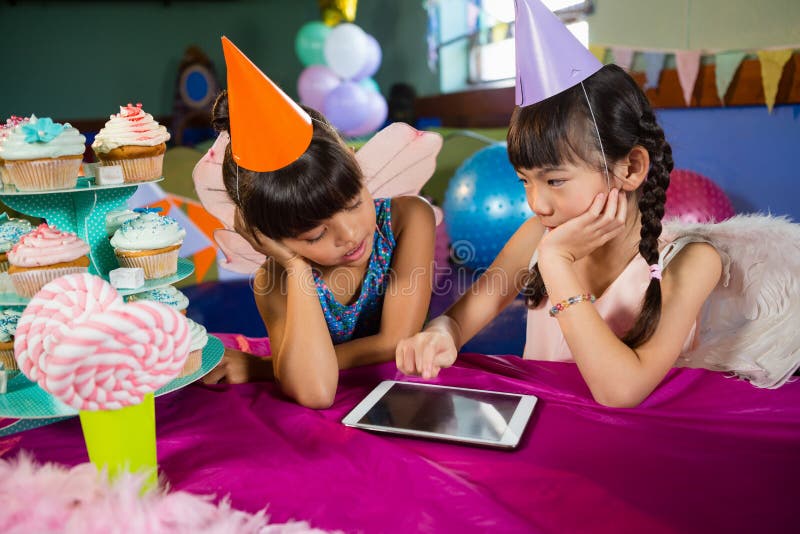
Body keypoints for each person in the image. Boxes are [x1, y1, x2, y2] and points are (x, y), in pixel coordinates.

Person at [395, 0, 800, 406]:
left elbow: (620, 391)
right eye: (525, 182)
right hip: (537, 434)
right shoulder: (537, 235)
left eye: (555, 180)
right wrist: (440, 333)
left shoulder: (690, 260)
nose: (538, 204)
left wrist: (557, 265)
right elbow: (458, 320)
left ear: (631, 167)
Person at [196, 38, 437, 409]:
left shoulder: (408, 220)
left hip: (410, 395)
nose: (350, 234)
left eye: (355, 202)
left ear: (358, 169)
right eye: (316, 234)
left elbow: (396, 341)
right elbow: (315, 392)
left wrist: (267, 367)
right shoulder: (274, 280)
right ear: (271, 238)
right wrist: (294, 267)